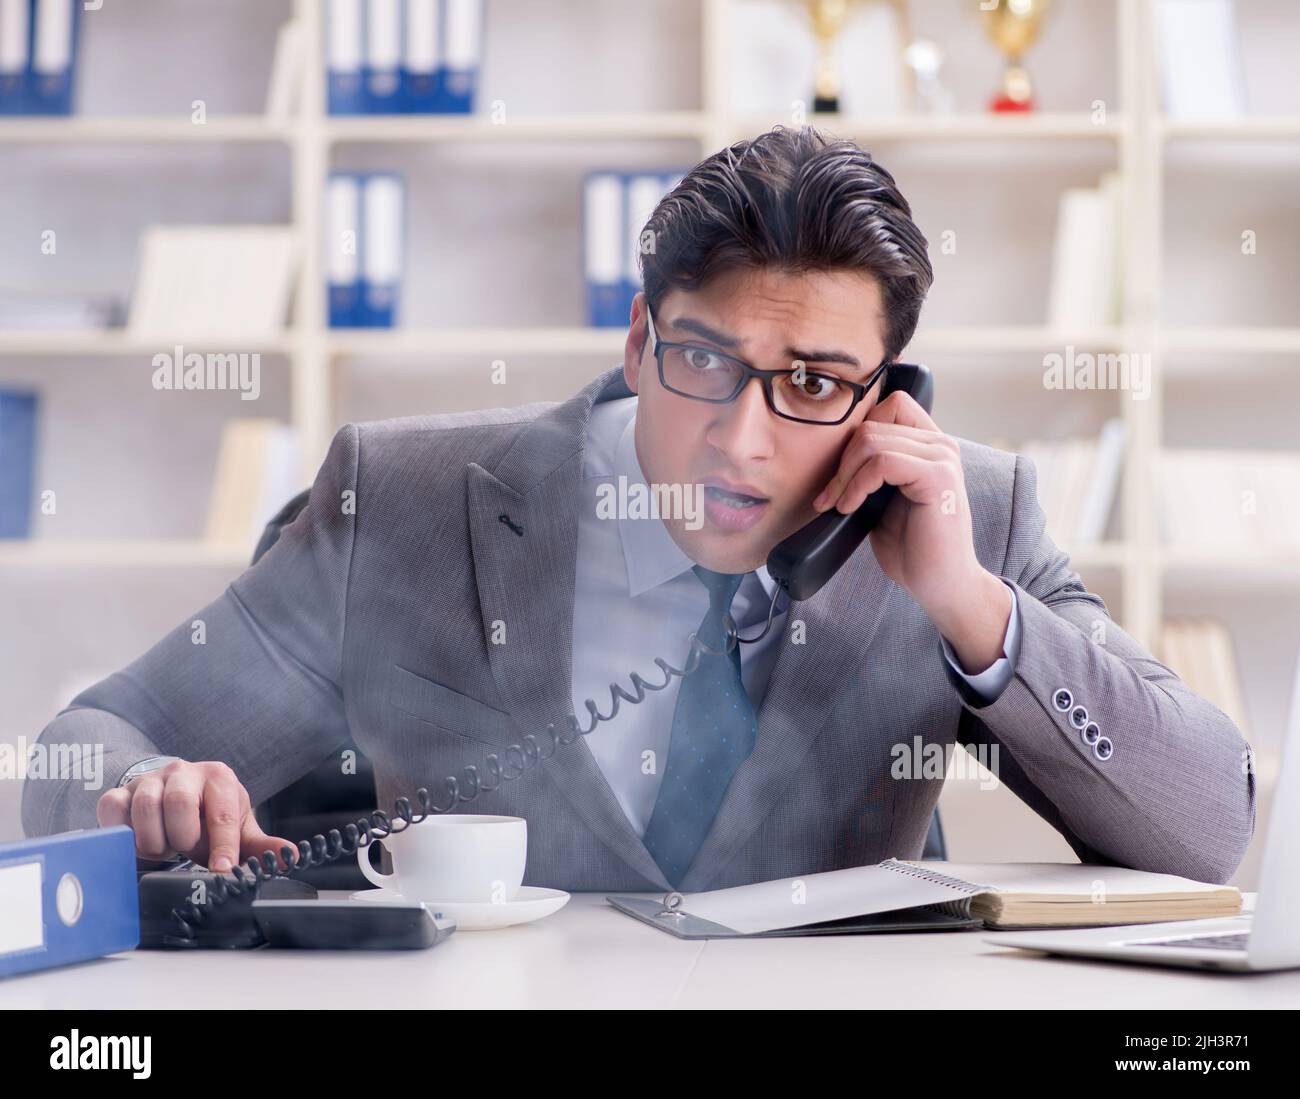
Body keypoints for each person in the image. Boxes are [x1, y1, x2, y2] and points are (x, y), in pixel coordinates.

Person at [22, 126, 1254, 892]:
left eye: (813, 384)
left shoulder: (967, 515)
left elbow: (1209, 825)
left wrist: (967, 603)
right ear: (636, 335)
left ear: (885, 398)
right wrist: (142, 791)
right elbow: (93, 734)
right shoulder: (403, 499)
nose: (740, 432)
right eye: (702, 359)